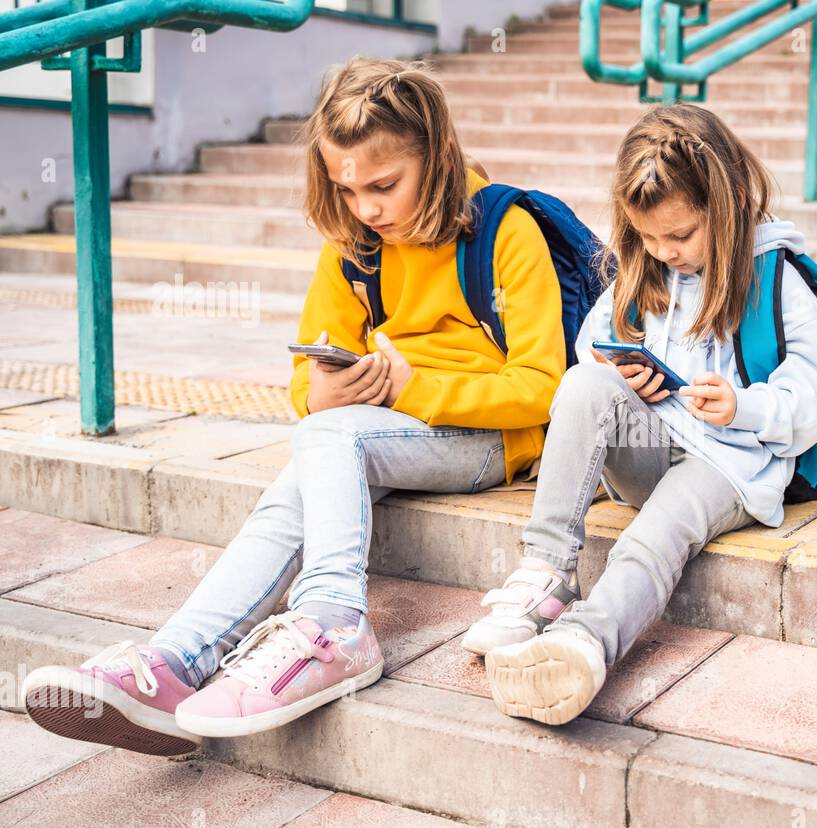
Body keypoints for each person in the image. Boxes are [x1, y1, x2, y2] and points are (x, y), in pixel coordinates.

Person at [20, 56, 565, 755]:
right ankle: (175, 661)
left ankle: (335, 622)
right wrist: (322, 392)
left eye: (385, 185)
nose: (366, 206)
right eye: (347, 188)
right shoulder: (355, 245)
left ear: (437, 156)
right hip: (380, 429)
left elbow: (542, 387)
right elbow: (311, 376)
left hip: (491, 438)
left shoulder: (502, 230)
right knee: (302, 477)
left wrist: (410, 388)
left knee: (331, 443)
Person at [461, 103, 817, 725]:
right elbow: (592, 345)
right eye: (648, 237)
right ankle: (546, 574)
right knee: (585, 382)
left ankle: (586, 642)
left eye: (681, 235)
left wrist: (742, 406)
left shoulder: (776, 277)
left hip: (730, 460)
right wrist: (621, 373)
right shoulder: (644, 270)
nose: (664, 251)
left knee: (657, 533)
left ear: (722, 209)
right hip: (651, 440)